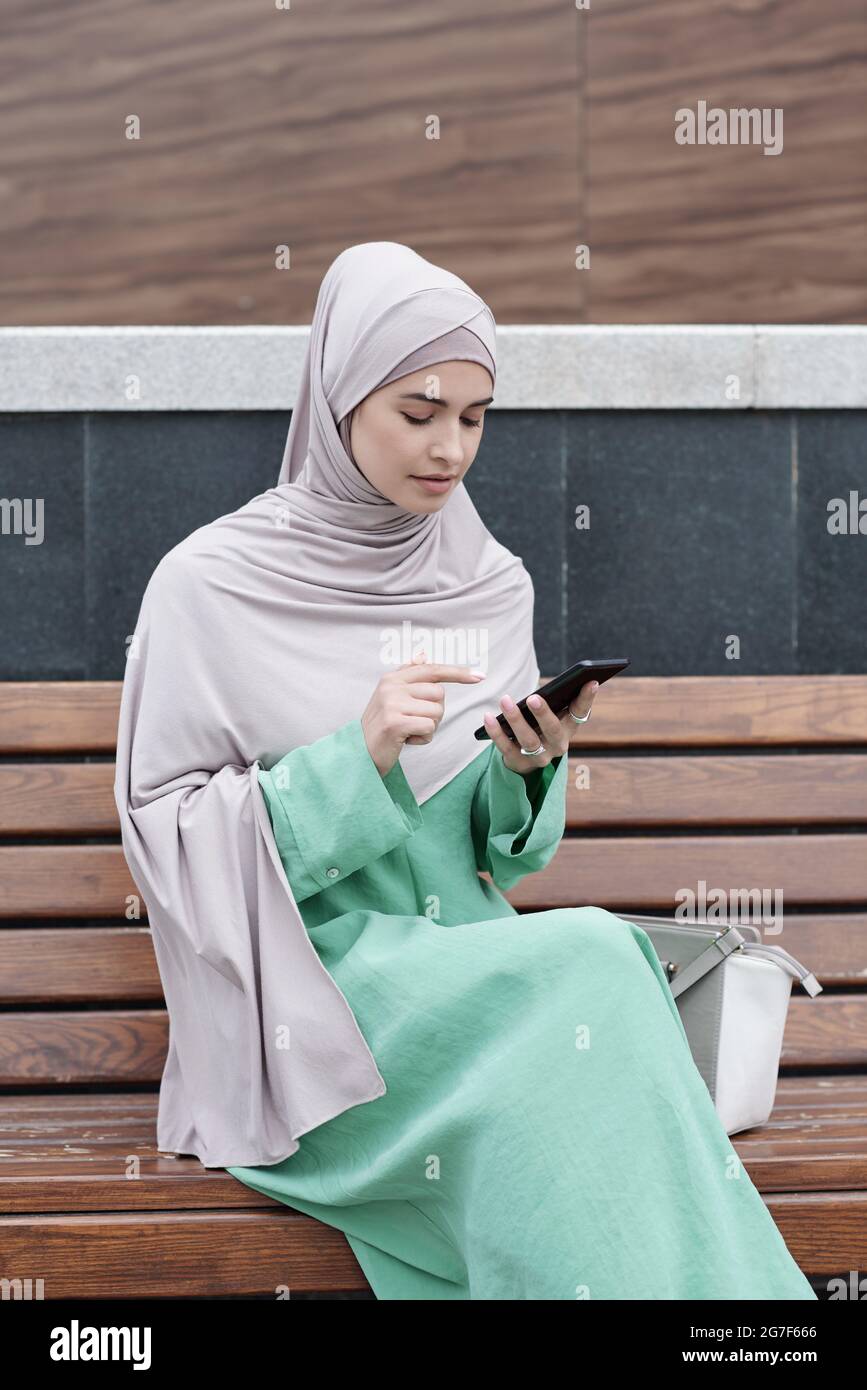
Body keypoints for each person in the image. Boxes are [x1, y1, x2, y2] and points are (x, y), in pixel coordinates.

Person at [116, 241, 817, 1300]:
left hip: (469, 976)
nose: (450, 448)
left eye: (476, 417)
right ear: (343, 394)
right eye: (420, 410)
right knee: (595, 958)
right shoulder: (208, 587)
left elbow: (501, 860)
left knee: (593, 981)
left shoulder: (487, 580)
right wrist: (355, 760)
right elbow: (164, 836)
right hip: (318, 1006)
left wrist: (528, 773)